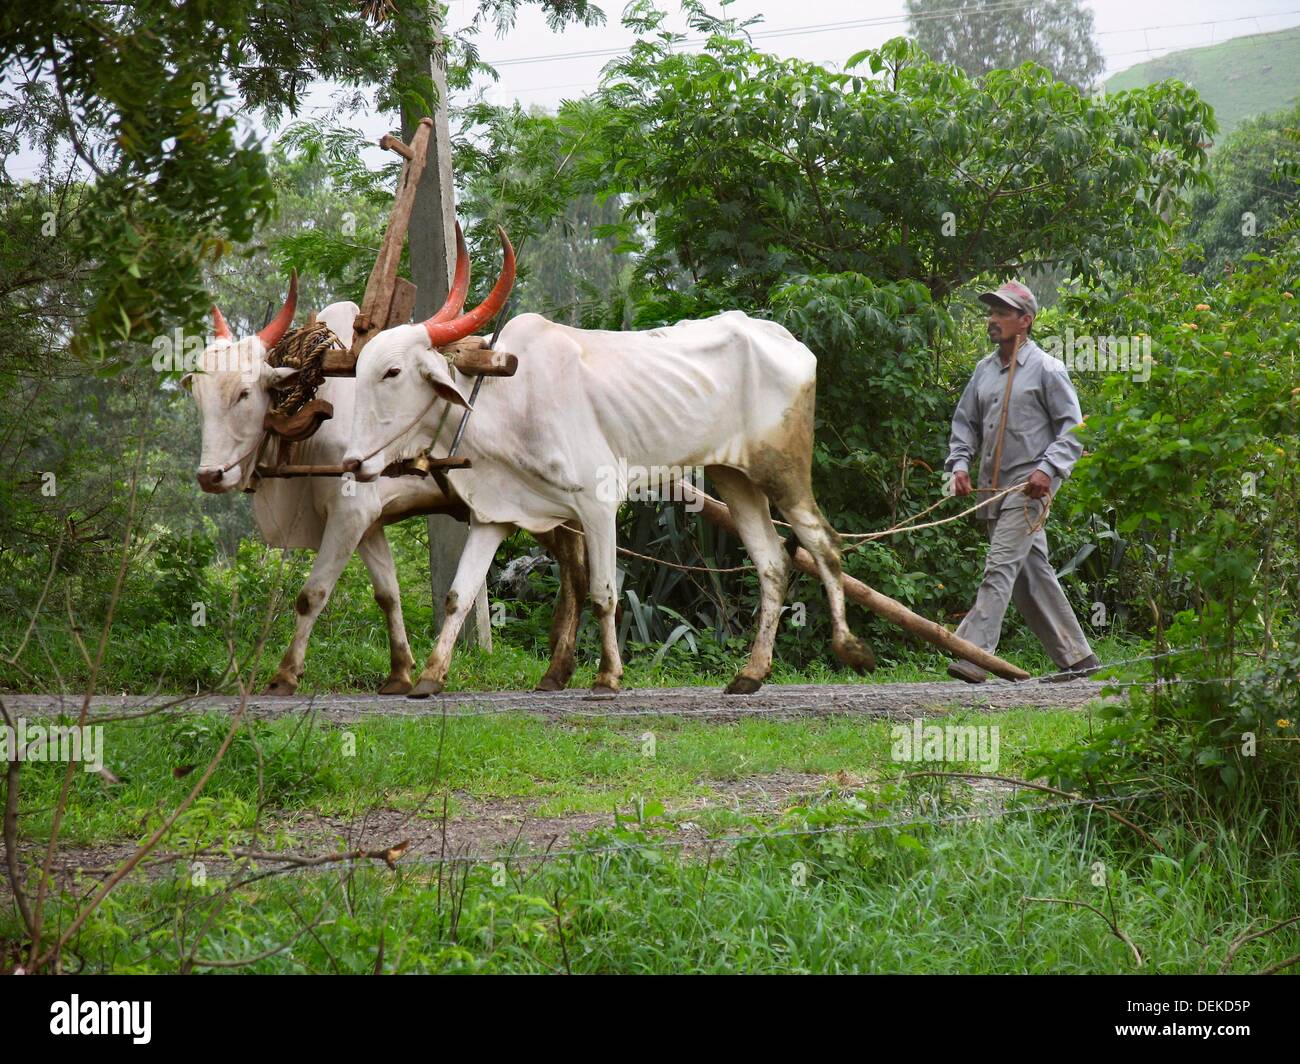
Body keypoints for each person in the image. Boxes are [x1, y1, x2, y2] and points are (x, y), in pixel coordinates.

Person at [943, 280, 1101, 683]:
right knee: (1030, 577)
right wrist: (958, 465)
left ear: (1025, 321)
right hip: (994, 492)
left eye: (1002, 313)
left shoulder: (1048, 369)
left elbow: (1075, 429)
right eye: (991, 312)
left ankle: (973, 654)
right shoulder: (983, 371)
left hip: (1031, 489)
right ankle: (1079, 659)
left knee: (999, 568)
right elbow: (965, 425)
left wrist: (1047, 470)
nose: (992, 320)